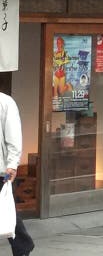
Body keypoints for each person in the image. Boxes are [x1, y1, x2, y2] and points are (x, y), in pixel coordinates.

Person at [0, 92, 34, 256]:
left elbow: (13, 136)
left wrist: (12, 165)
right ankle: (23, 245)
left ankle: (23, 245)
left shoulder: (5, 102)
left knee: (5, 209)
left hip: (1, 170)